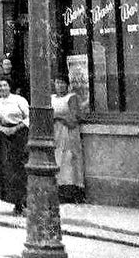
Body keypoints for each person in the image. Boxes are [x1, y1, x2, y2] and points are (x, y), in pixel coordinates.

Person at [0, 77, 29, 215]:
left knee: (20, 167)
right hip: (5, 136)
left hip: (20, 135)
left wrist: (16, 128)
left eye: (5, 85)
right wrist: (4, 129)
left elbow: (28, 117)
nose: (2, 88)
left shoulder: (19, 100)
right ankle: (16, 202)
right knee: (9, 169)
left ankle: (24, 201)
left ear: (10, 87)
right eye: (0, 86)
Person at [52, 75, 85, 204]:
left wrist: (59, 117)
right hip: (55, 133)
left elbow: (75, 116)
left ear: (67, 85)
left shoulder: (71, 98)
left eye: (62, 83)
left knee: (69, 160)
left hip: (68, 132)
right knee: (57, 159)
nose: (59, 86)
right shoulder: (52, 98)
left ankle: (72, 192)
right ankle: (59, 190)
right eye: (57, 83)